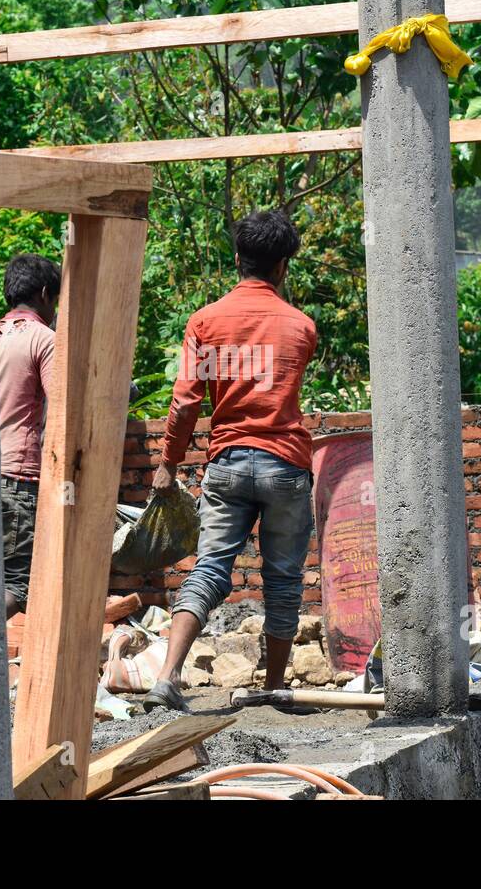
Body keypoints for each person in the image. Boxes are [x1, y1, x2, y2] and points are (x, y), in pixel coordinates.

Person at [143, 210, 317, 712]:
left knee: (212, 568)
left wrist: (168, 464)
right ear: (283, 265)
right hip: (286, 465)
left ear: (237, 258)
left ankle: (169, 677)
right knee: (282, 579)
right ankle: (275, 686)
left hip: (229, 463)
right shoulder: (301, 327)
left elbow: (185, 402)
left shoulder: (205, 322)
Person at [0, 254, 61, 619]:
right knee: (18, 586)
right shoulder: (43, 340)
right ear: (46, 294)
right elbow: (62, 411)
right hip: (18, 480)